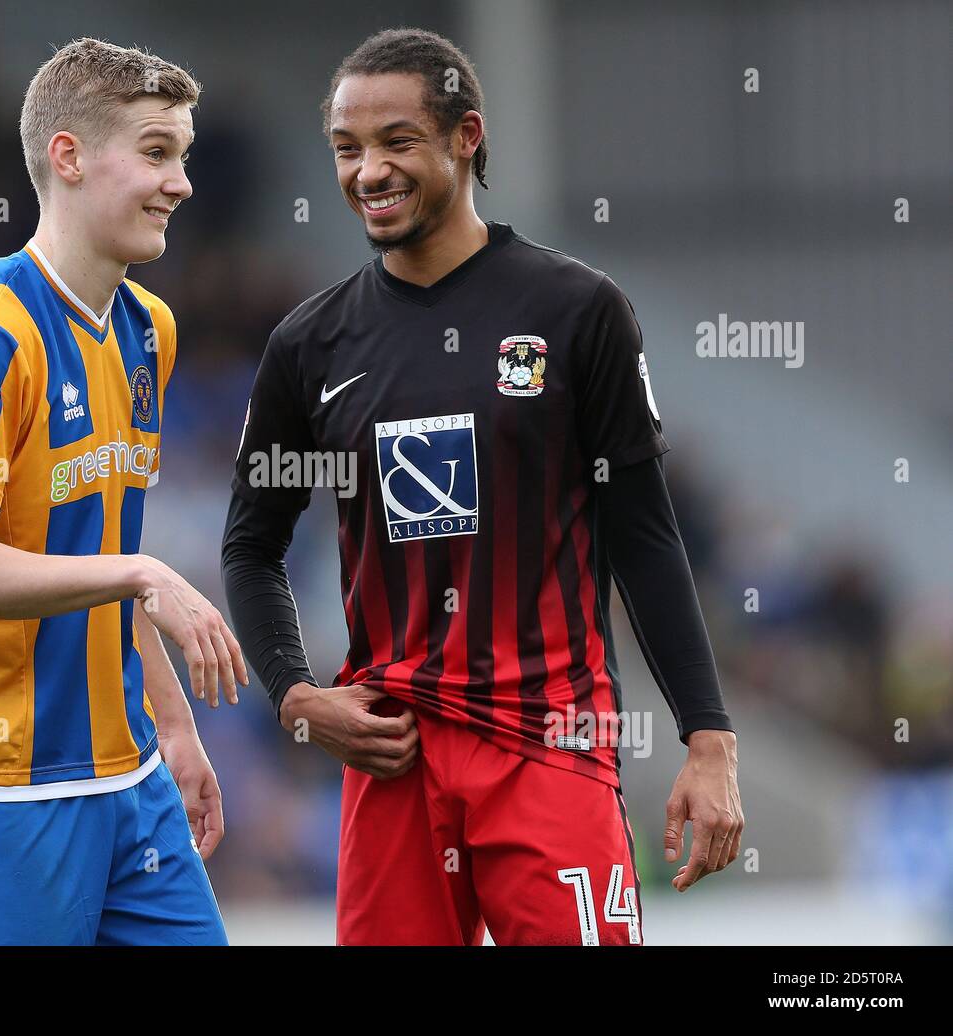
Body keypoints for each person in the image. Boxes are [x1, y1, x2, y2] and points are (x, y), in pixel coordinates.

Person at [221, 27, 743, 945]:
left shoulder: (577, 311)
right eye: (346, 148)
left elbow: (644, 537)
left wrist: (708, 738)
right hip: (392, 753)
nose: (368, 171)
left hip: (549, 740)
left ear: (466, 137)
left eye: (396, 141)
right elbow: (250, 544)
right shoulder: (308, 345)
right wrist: (294, 694)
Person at [0, 37, 247, 945]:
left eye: (184, 156)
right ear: (69, 156)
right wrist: (144, 575)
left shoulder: (147, 329)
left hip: (129, 771)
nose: (181, 183)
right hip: (0, 781)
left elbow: (97, 547)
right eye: (157, 152)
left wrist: (174, 725)